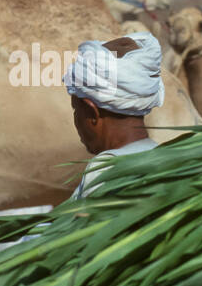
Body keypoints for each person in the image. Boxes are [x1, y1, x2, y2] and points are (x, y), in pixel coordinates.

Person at [63, 32, 163, 199]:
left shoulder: (104, 170)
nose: (76, 120)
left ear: (92, 113)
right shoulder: (163, 156)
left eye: (76, 110)